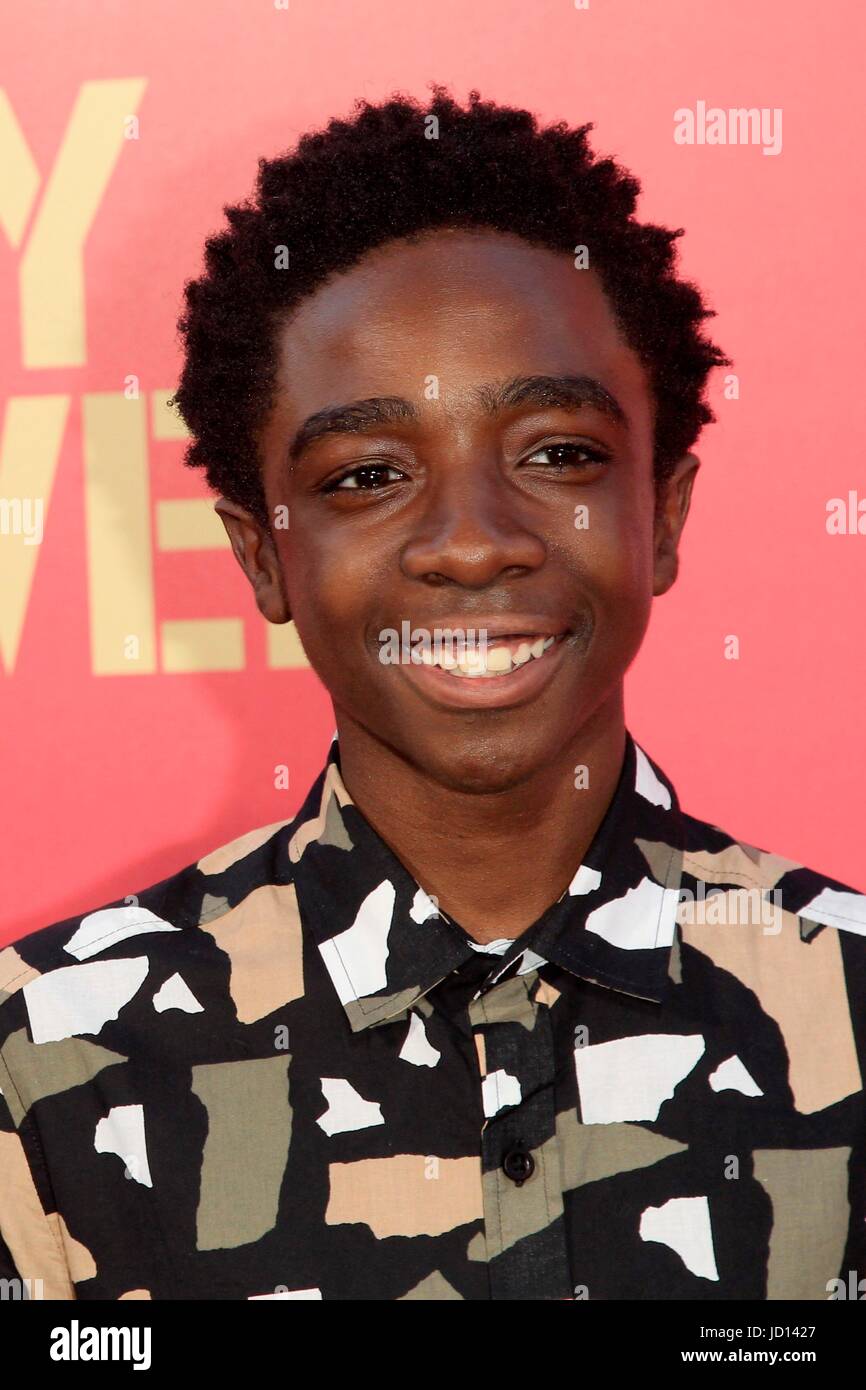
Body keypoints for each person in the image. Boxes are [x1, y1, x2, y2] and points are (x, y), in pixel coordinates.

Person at [1, 86, 863, 1302]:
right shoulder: (45, 1066)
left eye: (555, 454)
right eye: (366, 474)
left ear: (659, 516)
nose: (470, 543)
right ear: (263, 556)